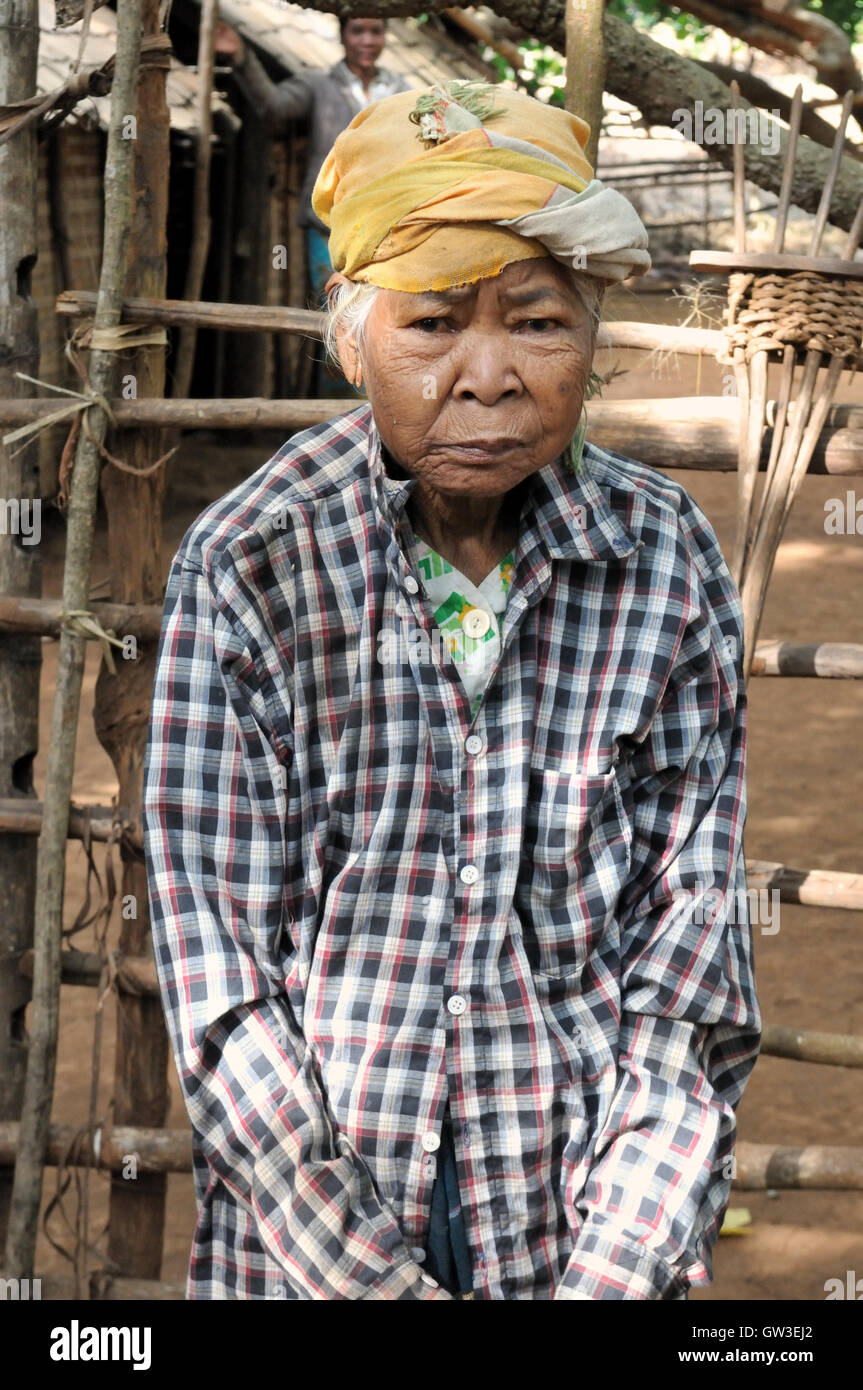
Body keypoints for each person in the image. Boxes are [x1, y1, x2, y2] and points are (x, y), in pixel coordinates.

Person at [141, 78, 761, 1301]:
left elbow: (687, 970)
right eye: (432, 325)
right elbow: (221, 990)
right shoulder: (253, 565)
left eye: (537, 322)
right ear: (350, 334)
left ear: (591, 337)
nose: (488, 376)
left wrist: (620, 1266)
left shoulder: (664, 560)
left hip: (575, 1211)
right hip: (317, 1230)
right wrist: (374, 1284)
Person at [214, 15, 410, 396]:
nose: (367, 40)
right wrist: (241, 57)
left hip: (388, 225)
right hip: (329, 225)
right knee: (338, 316)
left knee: (382, 314)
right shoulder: (320, 86)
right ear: (343, 38)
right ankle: (337, 415)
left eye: (376, 31)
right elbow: (273, 105)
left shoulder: (400, 91)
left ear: (385, 37)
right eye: (358, 31)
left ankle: (379, 413)